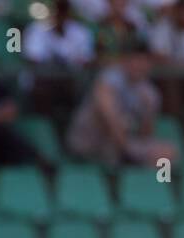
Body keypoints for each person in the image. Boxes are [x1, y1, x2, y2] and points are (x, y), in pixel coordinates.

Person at [67, 36, 178, 166]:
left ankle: (155, 184)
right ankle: (128, 174)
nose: (139, 65)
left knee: (166, 154)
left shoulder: (149, 93)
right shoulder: (109, 79)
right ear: (124, 61)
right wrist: (130, 151)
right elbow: (109, 120)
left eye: (144, 60)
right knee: (122, 147)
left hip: (120, 146)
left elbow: (145, 136)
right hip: (89, 141)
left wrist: (147, 111)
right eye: (134, 59)